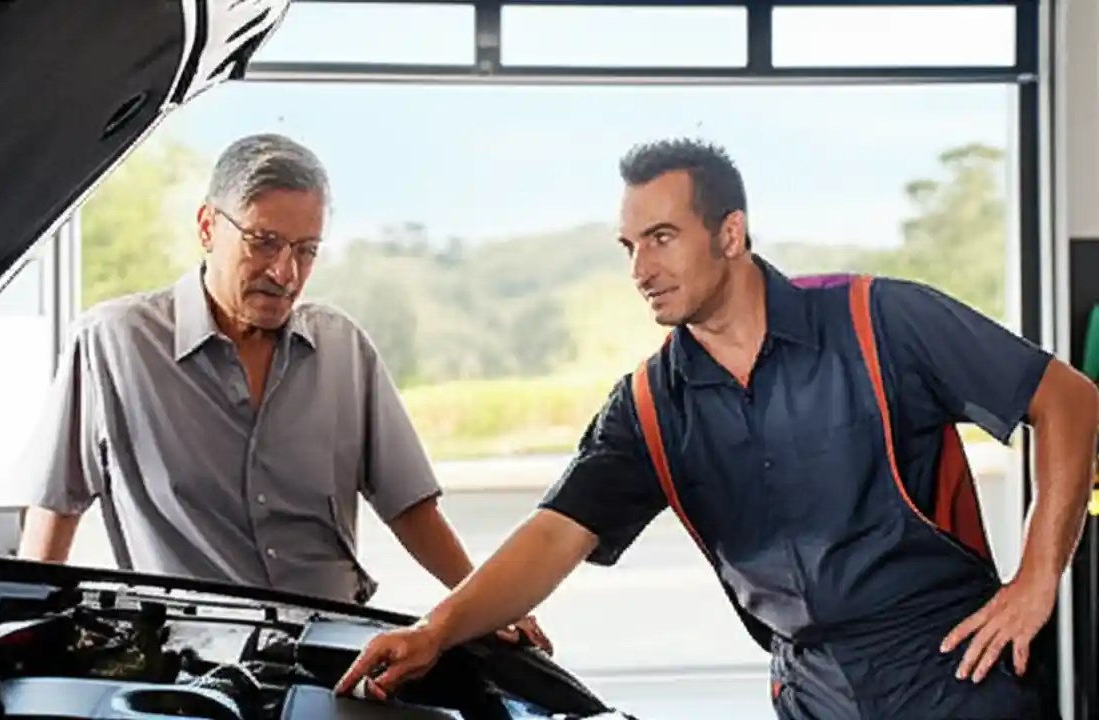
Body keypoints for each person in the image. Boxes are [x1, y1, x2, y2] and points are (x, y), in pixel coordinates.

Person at [335, 138, 1099, 719]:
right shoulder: (648, 406)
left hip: (951, 674)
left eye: (662, 237)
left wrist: (1038, 579)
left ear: (730, 234)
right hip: (811, 691)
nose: (640, 268)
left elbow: (1066, 399)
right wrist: (436, 630)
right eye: (629, 246)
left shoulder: (880, 320)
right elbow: (550, 537)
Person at [15, 133, 550, 651]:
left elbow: (411, 509)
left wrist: (490, 609)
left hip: (332, 651)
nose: (285, 272)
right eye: (263, 242)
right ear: (207, 227)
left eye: (306, 250)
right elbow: (55, 512)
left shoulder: (343, 348)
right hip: (187, 666)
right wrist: (21, 647)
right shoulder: (114, 343)